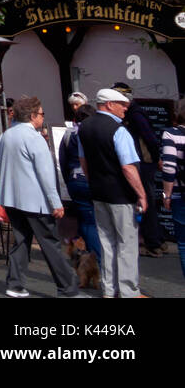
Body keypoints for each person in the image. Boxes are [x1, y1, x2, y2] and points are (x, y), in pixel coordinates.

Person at [0, 95, 83, 298]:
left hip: (10, 198)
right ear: (33, 116)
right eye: (42, 114)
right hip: (35, 201)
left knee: (21, 241)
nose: (43, 117)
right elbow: (46, 174)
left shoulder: (6, 135)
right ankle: (68, 288)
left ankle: (14, 285)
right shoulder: (35, 138)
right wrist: (56, 203)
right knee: (50, 243)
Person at [78, 88, 147, 298]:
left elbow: (84, 162)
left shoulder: (84, 127)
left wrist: (93, 182)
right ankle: (128, 291)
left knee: (107, 244)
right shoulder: (119, 130)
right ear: (109, 104)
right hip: (121, 194)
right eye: (122, 103)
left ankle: (109, 290)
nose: (126, 108)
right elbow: (128, 167)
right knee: (126, 244)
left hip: (99, 192)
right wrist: (142, 195)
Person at [111, 82, 168, 256]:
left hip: (143, 163)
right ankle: (157, 239)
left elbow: (149, 137)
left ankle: (153, 243)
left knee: (145, 201)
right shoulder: (135, 112)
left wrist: (157, 157)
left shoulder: (135, 114)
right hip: (143, 162)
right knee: (147, 200)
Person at [59, 104, 102, 265]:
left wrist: (68, 180)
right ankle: (98, 258)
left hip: (75, 179)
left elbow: (62, 160)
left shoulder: (69, 134)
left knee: (85, 220)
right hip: (93, 179)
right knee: (97, 220)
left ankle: (91, 256)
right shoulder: (94, 131)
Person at [160, 97, 184, 281]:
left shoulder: (171, 134)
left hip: (181, 194)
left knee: (184, 244)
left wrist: (166, 194)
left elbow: (169, 167)